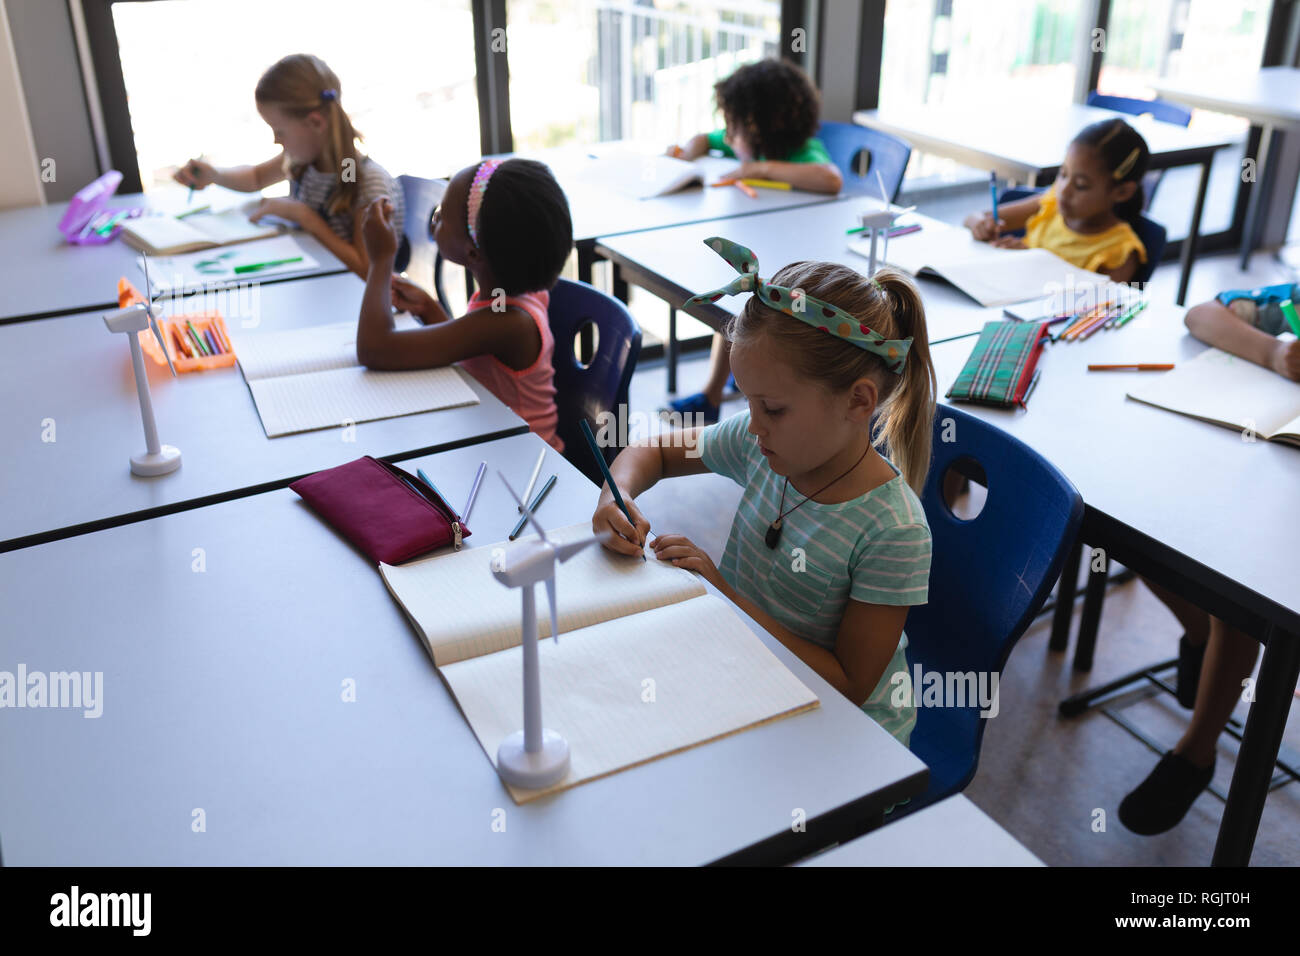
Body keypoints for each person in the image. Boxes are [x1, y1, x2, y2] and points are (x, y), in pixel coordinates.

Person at [594, 238, 935, 744]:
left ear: (859, 401)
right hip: (746, 667)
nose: (752, 426)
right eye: (746, 401)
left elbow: (848, 686)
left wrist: (723, 595)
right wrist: (613, 496)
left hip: (842, 738)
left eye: (772, 408)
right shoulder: (765, 443)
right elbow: (654, 453)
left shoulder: (893, 531)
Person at [665, 59, 843, 426]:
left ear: (762, 126)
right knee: (736, 297)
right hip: (762, 249)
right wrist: (685, 151)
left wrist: (758, 169)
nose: (728, 138)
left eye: (735, 127)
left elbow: (830, 180)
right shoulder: (749, 144)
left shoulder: (800, 152)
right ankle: (713, 393)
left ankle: (722, 394)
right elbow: (704, 139)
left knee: (744, 306)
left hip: (799, 266)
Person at [356, 158, 572, 452]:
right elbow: (474, 357)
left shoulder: (507, 322)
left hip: (528, 466)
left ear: (472, 253)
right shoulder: (512, 298)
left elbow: (374, 349)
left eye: (442, 216)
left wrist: (380, 259)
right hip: (494, 442)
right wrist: (431, 310)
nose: (434, 219)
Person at [174, 53, 403, 278]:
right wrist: (214, 175)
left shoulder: (358, 177)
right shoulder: (304, 160)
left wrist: (304, 216)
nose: (276, 140)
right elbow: (255, 177)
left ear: (315, 122)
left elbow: (367, 270)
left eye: (280, 131)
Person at [964, 118, 1150, 284]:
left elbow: (1094, 311)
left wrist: (1031, 263)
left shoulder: (1120, 252)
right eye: (1063, 174)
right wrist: (981, 224)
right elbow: (974, 217)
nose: (1064, 190)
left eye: (1081, 185)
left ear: (1122, 192)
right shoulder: (1052, 203)